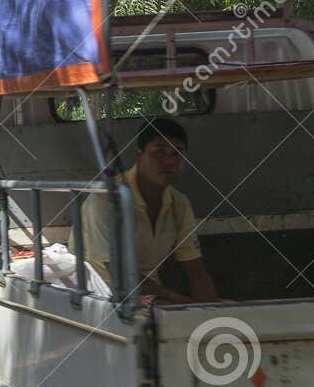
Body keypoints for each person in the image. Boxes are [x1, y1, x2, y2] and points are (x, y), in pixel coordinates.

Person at [82, 117, 217, 304]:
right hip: (100, 292)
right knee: (166, 308)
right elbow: (117, 270)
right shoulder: (104, 199)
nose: (169, 161)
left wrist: (212, 310)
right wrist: (178, 300)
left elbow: (195, 269)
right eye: (159, 151)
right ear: (139, 154)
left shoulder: (179, 204)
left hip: (150, 292)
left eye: (177, 152)